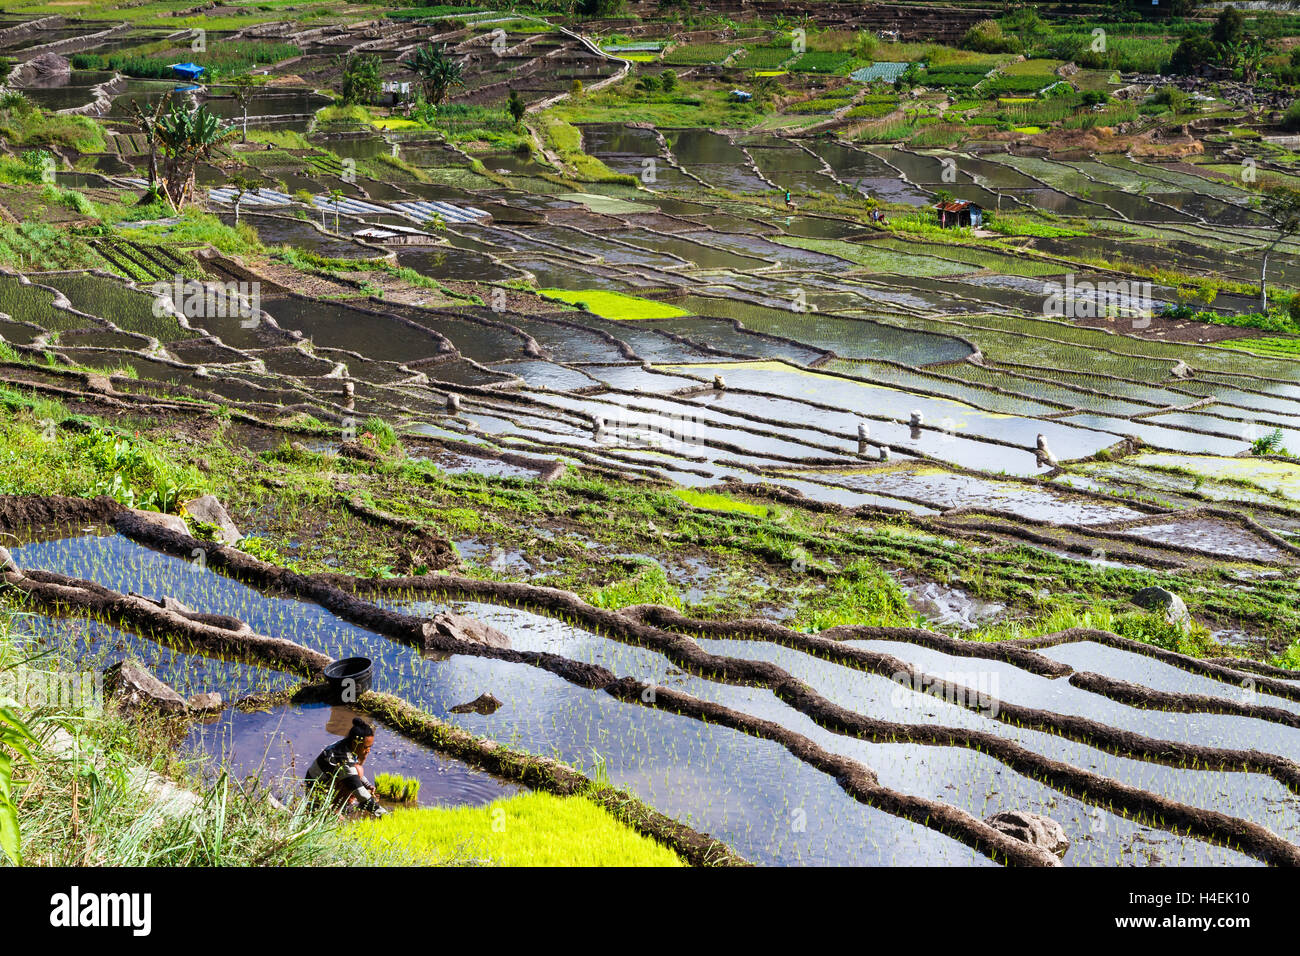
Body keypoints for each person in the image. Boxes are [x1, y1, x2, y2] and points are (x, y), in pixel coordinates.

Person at [304, 716, 388, 818]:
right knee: (355, 776)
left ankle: (339, 806)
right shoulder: (342, 757)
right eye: (366, 747)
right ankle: (334, 812)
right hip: (315, 788)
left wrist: (367, 784)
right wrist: (382, 813)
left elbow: (353, 773)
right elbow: (358, 789)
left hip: (327, 782)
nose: (368, 751)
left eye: (370, 747)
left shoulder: (346, 745)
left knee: (358, 770)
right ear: (355, 742)